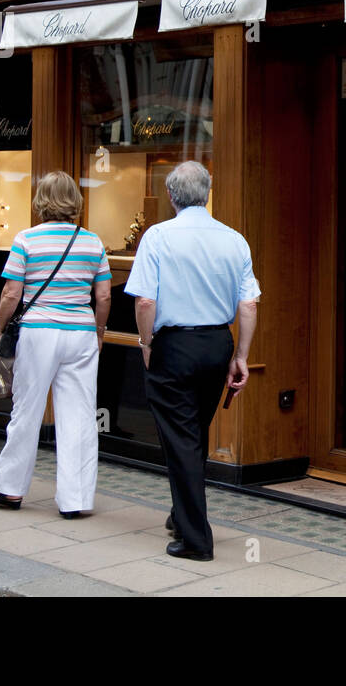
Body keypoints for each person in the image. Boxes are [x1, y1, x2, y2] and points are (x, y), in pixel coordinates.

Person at [124, 161, 258, 560]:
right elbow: (248, 303)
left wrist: (147, 343)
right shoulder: (234, 239)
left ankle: (196, 540)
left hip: (175, 346)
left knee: (181, 439)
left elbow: (145, 299)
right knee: (193, 434)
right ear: (208, 192)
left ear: (170, 196)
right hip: (217, 343)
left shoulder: (158, 236)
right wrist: (242, 356)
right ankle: (180, 514)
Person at [0, 171, 111, 518]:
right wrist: (99, 331)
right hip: (81, 333)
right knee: (80, 415)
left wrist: (0, 326)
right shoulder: (93, 242)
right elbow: (102, 296)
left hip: (39, 331)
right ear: (76, 200)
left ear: (40, 199)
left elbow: (12, 292)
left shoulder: (26, 239)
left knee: (27, 410)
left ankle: (10, 489)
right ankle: (76, 500)